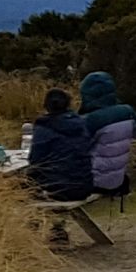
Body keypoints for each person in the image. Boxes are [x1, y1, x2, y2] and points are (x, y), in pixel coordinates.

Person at [24, 88, 96, 224]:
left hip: (58, 188)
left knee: (24, 186)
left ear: (46, 105)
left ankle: (44, 229)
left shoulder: (43, 128)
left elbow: (35, 160)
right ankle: (56, 227)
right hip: (84, 185)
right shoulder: (81, 124)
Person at [76, 70, 136, 199]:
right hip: (118, 179)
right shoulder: (127, 111)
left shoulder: (90, 120)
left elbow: (75, 149)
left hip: (93, 181)